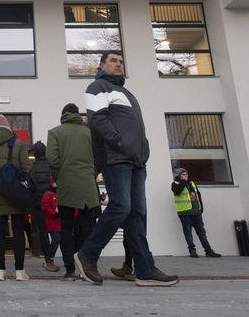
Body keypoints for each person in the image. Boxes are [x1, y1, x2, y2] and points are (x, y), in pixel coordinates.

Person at [76, 51, 179, 287]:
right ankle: (87, 255)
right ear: (101, 65)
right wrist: (121, 143)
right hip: (115, 158)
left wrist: (142, 150)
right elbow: (97, 120)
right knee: (121, 207)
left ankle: (144, 269)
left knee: (137, 215)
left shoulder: (127, 93)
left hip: (135, 160)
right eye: (113, 60)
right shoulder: (97, 87)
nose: (118, 64)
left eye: (121, 61)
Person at [47, 102, 99, 281]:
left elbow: (52, 159)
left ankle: (70, 269)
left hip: (66, 185)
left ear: (62, 115)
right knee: (88, 229)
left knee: (66, 229)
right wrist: (92, 173)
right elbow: (99, 156)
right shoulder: (89, 132)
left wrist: (59, 176)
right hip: (88, 185)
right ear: (78, 115)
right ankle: (89, 267)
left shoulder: (55, 132)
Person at [0, 113, 32, 281]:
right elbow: (26, 167)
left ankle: (0, 271)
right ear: (6, 125)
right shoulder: (17, 142)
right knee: (18, 231)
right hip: (15, 192)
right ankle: (19, 271)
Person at [172, 168, 221, 258]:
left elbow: (198, 195)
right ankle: (192, 250)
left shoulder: (192, 184)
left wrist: (201, 208)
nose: (185, 176)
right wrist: (183, 181)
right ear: (179, 176)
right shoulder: (175, 184)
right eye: (183, 174)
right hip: (185, 213)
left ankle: (208, 251)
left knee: (201, 232)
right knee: (188, 233)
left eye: (186, 174)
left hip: (196, 212)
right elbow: (177, 191)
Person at [29, 141, 54, 267]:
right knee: (56, 230)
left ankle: (47, 257)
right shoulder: (51, 166)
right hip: (52, 202)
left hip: (38, 203)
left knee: (42, 230)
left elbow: (31, 186)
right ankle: (52, 254)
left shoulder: (32, 168)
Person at [41, 184, 62, 273]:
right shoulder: (49, 194)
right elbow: (44, 206)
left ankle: (50, 259)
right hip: (53, 222)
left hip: (61, 223)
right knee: (56, 240)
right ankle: (48, 259)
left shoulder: (62, 194)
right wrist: (54, 213)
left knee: (62, 241)